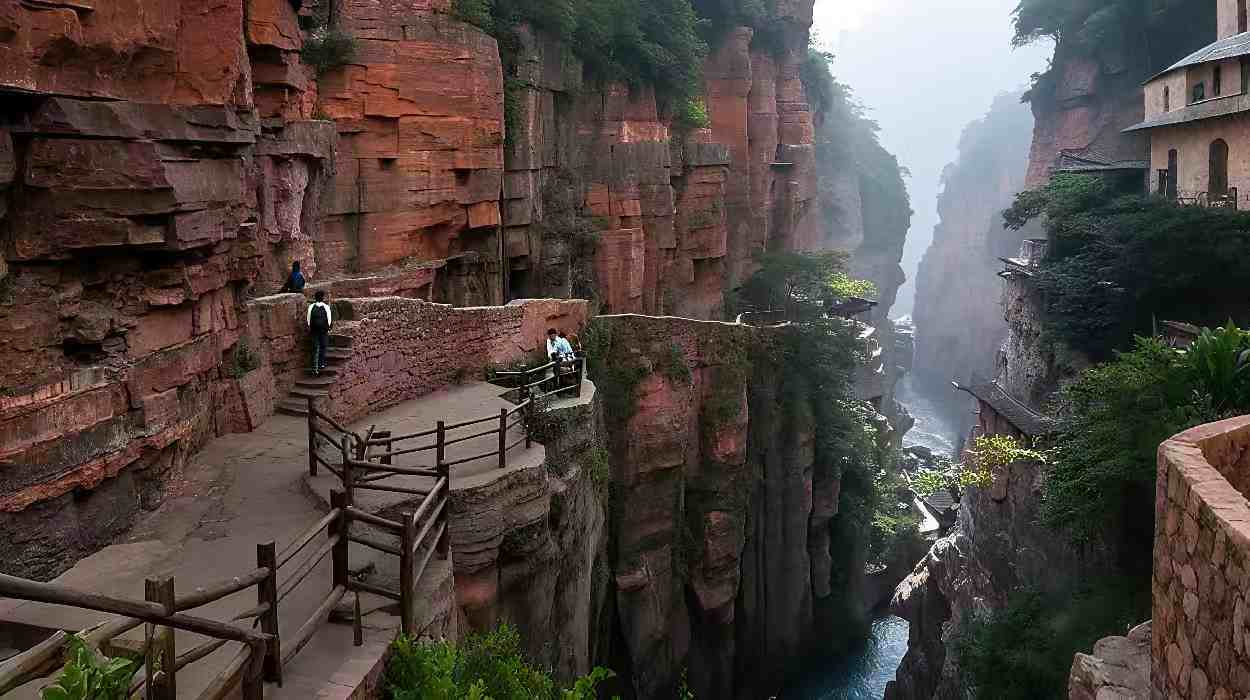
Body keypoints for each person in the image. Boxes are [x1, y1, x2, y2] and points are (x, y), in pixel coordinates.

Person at [307, 291, 333, 375]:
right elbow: (329, 319)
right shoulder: (326, 307)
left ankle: (314, 366)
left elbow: (308, 319)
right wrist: (329, 328)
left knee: (315, 347)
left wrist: (310, 328)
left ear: (315, 298)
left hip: (314, 330)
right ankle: (321, 363)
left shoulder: (311, 306)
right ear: (323, 298)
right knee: (323, 346)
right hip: (323, 330)